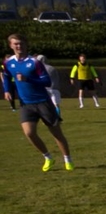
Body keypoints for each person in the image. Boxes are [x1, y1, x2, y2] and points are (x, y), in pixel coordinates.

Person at [3, 34, 73, 171]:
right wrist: (7, 90)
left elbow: (47, 82)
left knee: (56, 133)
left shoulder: (34, 62)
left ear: (26, 44)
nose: (19, 46)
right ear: (11, 46)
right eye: (16, 44)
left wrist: (27, 79)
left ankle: (67, 159)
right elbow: (5, 76)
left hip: (43, 102)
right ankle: (48, 157)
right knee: (29, 133)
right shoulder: (8, 63)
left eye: (21, 43)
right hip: (26, 104)